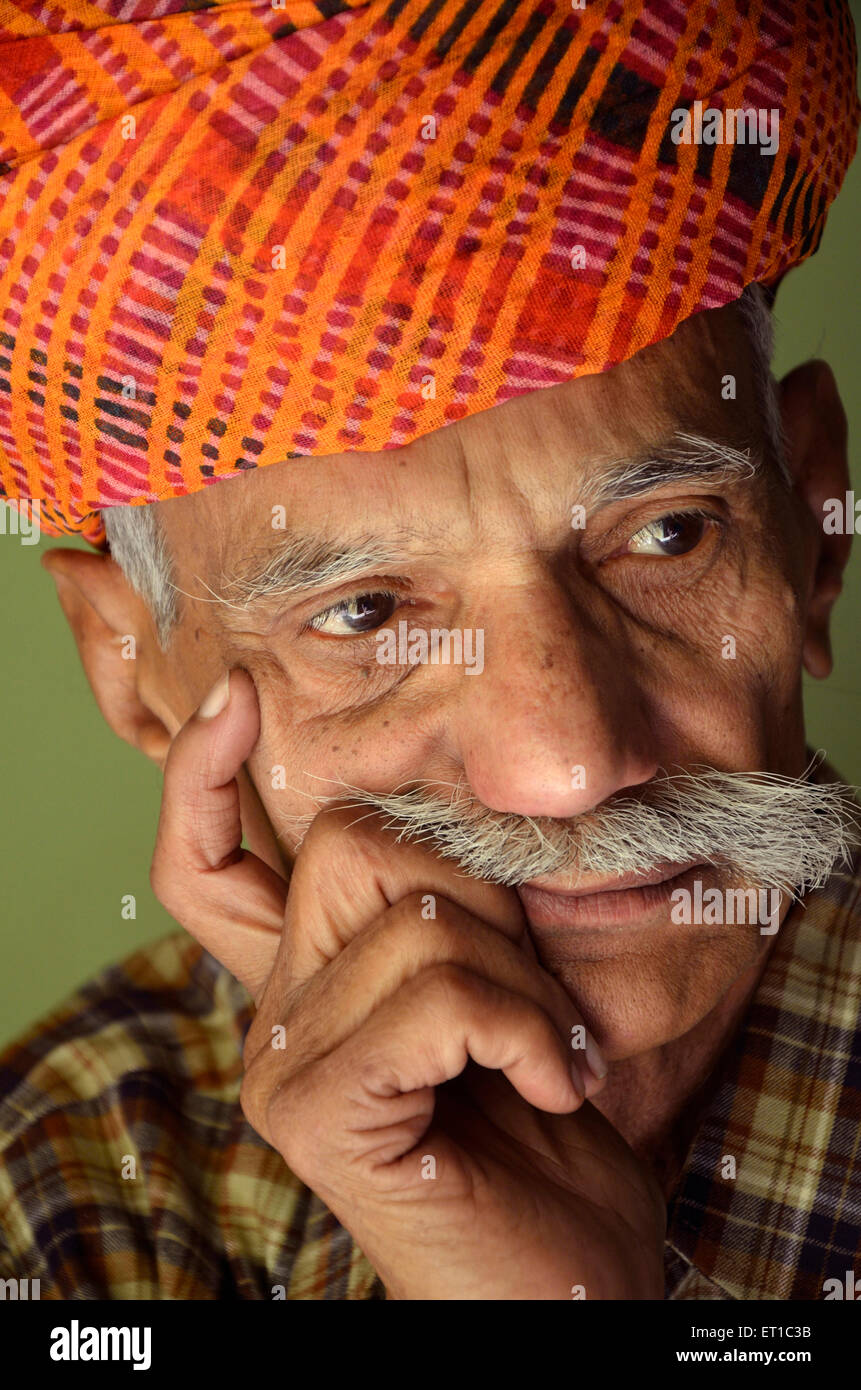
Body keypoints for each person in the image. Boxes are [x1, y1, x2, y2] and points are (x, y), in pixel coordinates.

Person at [0, 0, 858, 1300]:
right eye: (361, 613)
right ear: (131, 666)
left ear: (814, 525)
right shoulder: (59, 1219)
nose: (569, 763)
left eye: (668, 532)